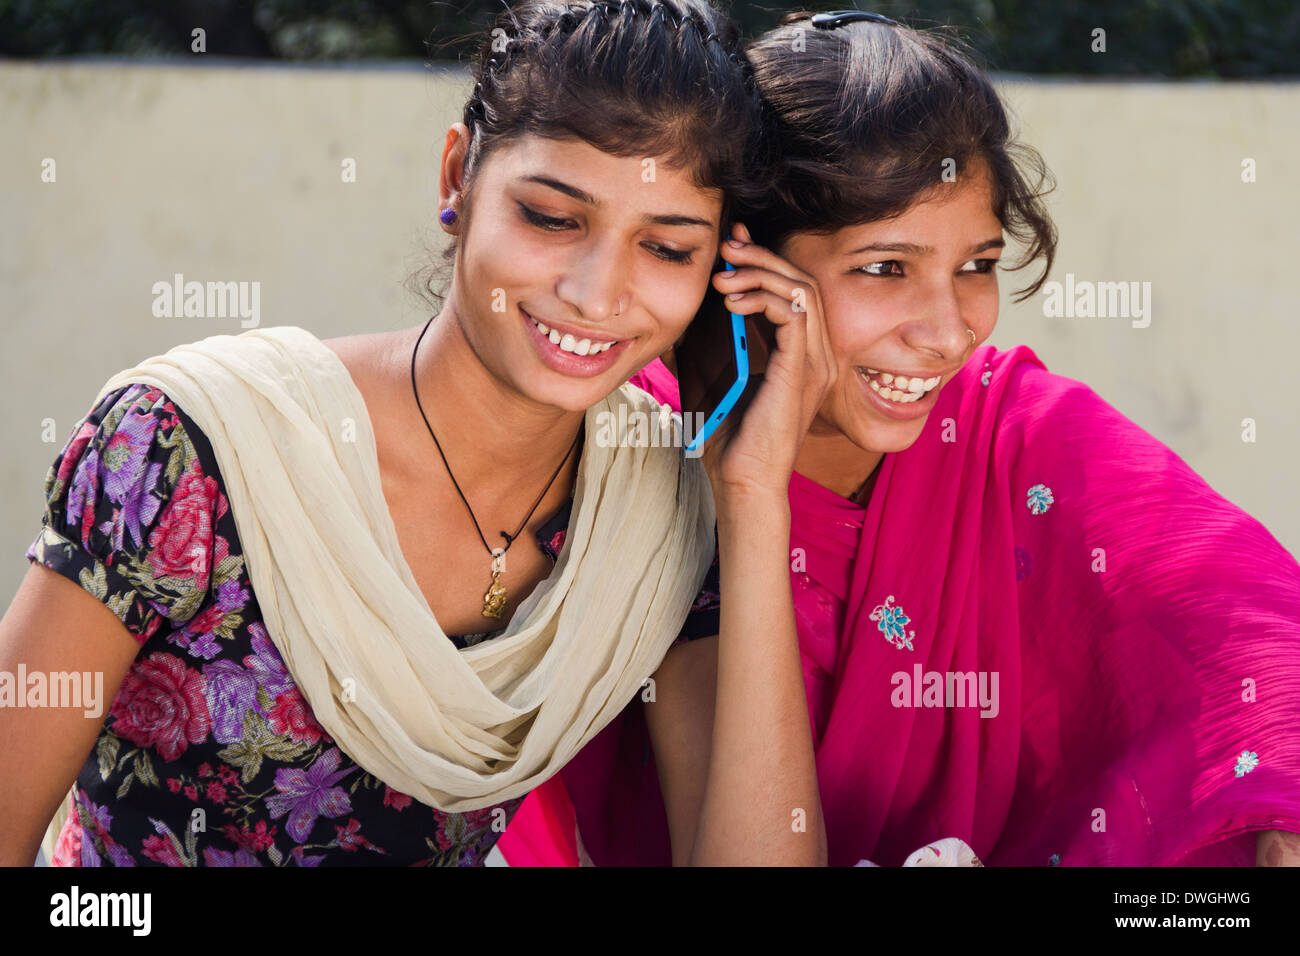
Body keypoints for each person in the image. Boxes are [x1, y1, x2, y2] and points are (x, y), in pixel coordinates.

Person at [0, 0, 826, 867]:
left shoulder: (657, 513)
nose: (595, 293)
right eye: (551, 217)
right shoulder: (186, 450)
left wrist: (754, 496)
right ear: (457, 178)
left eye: (668, 250)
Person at [499, 9, 1300, 867]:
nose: (949, 332)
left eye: (977, 266)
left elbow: (1251, 634)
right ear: (742, 269)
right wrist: (752, 493)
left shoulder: (1017, 433)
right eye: (886, 269)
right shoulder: (642, 453)